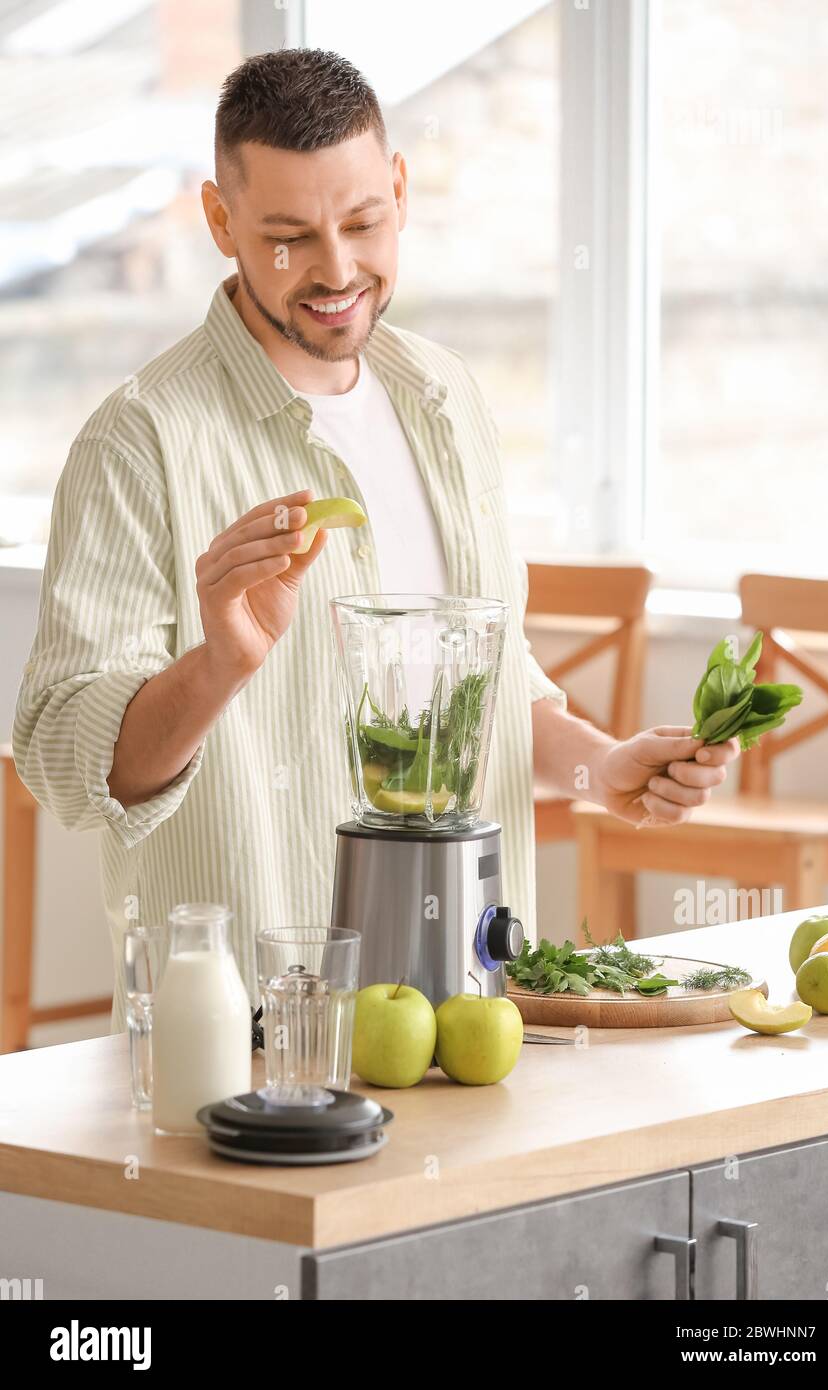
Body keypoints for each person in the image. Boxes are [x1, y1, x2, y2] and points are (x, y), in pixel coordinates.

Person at [13, 49, 738, 1028]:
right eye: (287, 236)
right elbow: (62, 759)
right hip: (251, 1038)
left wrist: (596, 767)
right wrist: (220, 664)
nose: (338, 270)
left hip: (470, 1009)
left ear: (398, 189)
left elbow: (486, 690)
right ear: (219, 221)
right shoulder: (140, 439)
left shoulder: (444, 399)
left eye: (362, 223)